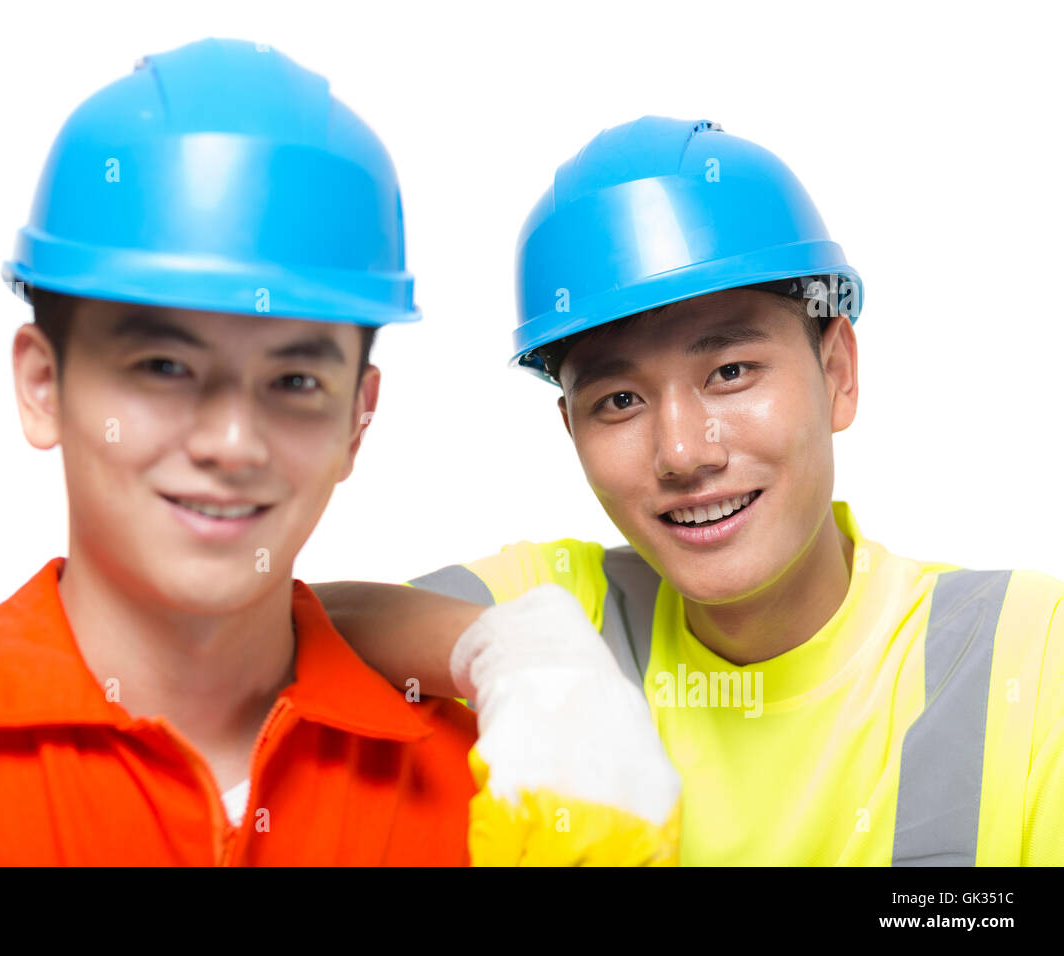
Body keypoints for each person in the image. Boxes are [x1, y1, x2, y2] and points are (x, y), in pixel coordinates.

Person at [0, 41, 680, 866]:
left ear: (358, 420)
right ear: (43, 385)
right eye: (164, 366)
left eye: (293, 382)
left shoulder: (507, 808)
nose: (231, 444)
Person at [317, 116, 1064, 866]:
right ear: (570, 430)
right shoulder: (562, 610)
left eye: (730, 372)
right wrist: (504, 649)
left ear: (837, 372)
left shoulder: (1024, 653)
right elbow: (278, 631)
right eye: (619, 400)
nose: (681, 453)